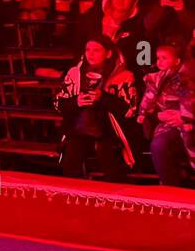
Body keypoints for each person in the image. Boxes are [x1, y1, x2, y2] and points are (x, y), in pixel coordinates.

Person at [55, 34, 138, 183]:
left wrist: (104, 98)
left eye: (96, 50)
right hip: (80, 128)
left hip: (110, 131)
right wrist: (76, 102)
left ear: (108, 53)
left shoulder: (124, 76)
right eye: (88, 50)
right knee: (70, 160)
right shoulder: (75, 74)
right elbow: (58, 104)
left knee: (109, 158)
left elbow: (130, 110)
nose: (90, 54)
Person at [137, 43, 192, 186]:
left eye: (164, 58)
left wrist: (185, 119)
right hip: (168, 125)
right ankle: (170, 188)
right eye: (158, 58)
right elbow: (149, 102)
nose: (159, 62)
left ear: (177, 61)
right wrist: (156, 115)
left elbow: (188, 101)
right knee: (158, 144)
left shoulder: (185, 79)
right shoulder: (156, 79)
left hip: (188, 125)